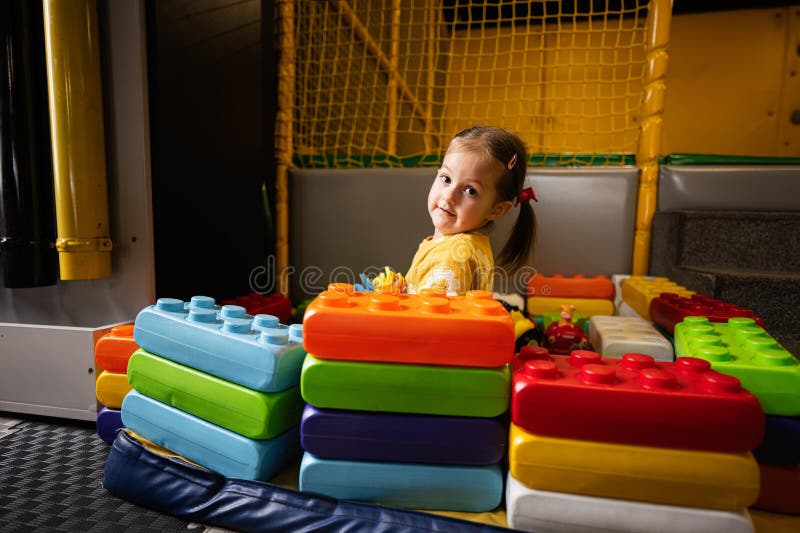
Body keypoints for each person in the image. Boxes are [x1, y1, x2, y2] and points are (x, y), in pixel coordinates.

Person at [405, 125, 537, 296]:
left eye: (470, 190)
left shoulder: (453, 257)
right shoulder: (468, 245)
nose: (449, 196)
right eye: (446, 178)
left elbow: (433, 319)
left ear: (497, 210)